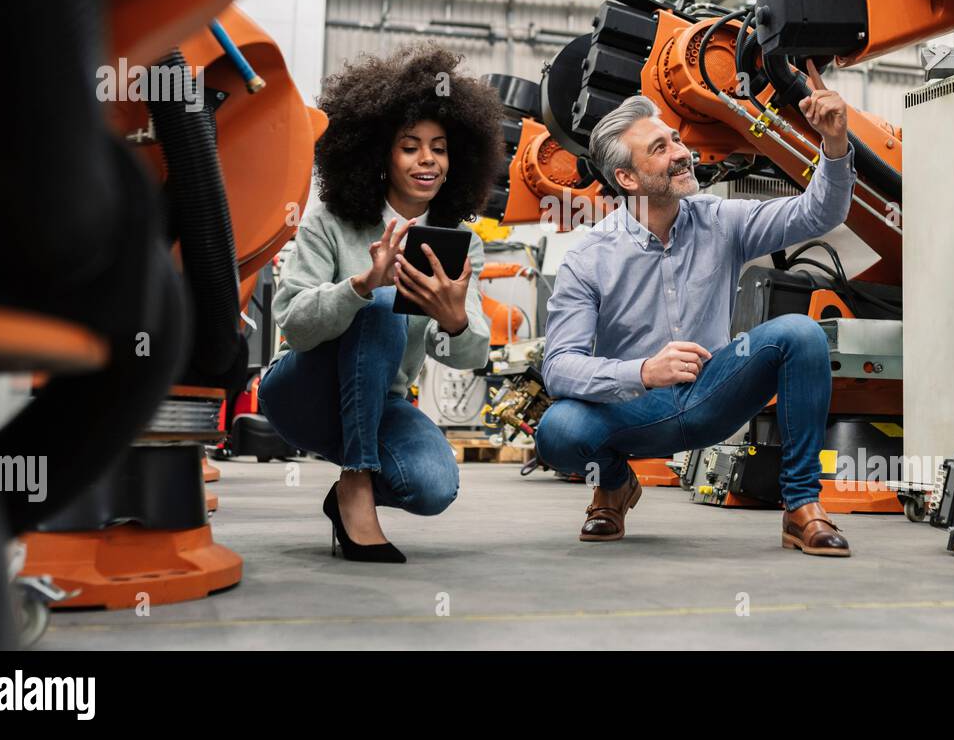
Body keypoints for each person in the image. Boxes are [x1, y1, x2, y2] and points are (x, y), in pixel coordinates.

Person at [537, 91, 857, 555]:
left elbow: (818, 213)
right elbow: (559, 366)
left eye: (675, 140)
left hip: (713, 394)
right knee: (558, 430)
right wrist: (644, 372)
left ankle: (801, 507)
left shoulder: (720, 220)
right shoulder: (589, 258)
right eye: (660, 149)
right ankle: (614, 485)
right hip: (634, 409)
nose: (681, 153)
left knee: (801, 334)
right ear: (627, 177)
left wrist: (833, 144)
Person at [258, 43, 504, 562]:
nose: (427, 160)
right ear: (379, 155)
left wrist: (456, 322)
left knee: (433, 487)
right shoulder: (330, 224)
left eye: (439, 147)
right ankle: (355, 481)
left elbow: (472, 355)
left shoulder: (459, 241)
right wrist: (359, 287)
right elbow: (295, 328)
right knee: (379, 301)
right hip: (304, 393)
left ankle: (355, 486)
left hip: (383, 402)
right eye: (410, 146)